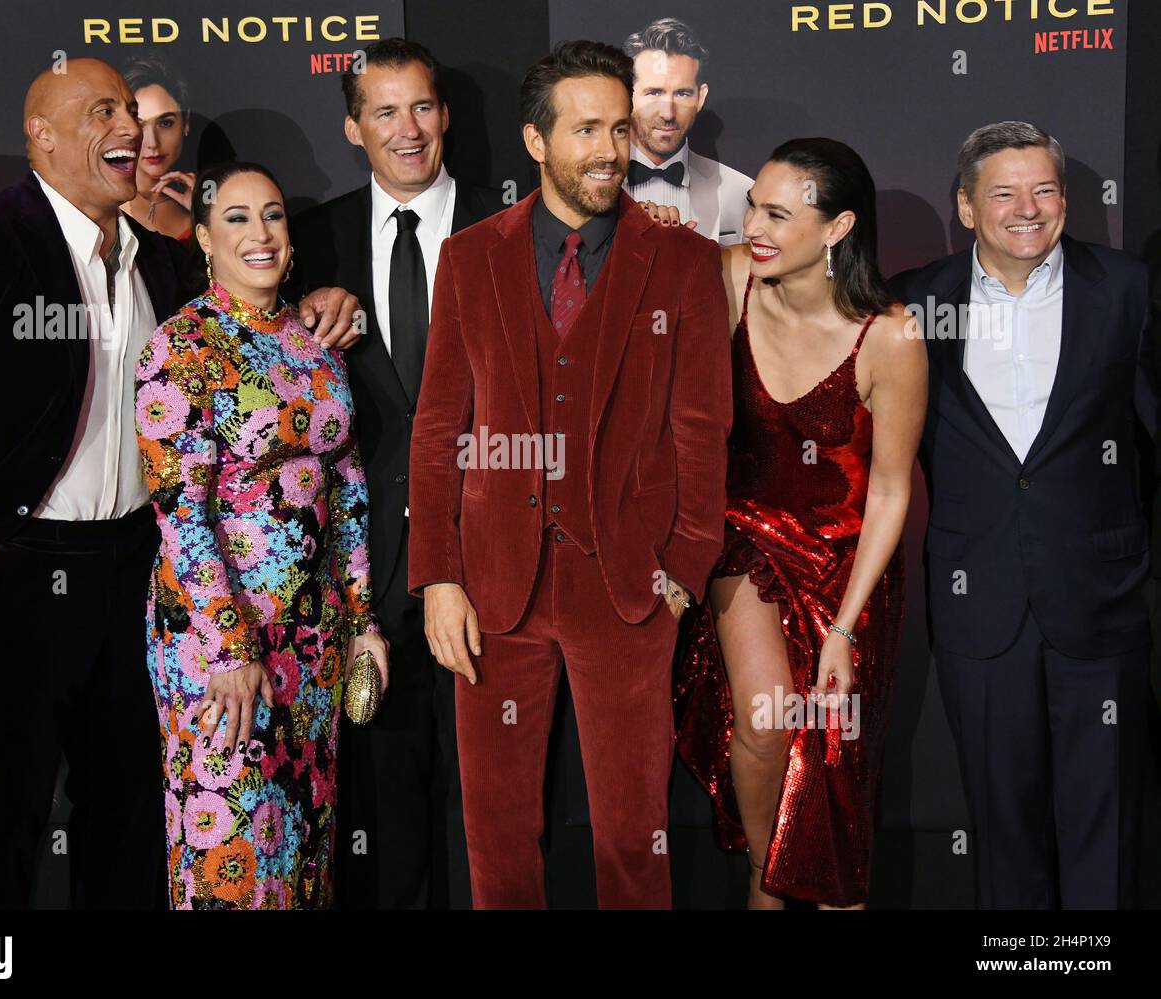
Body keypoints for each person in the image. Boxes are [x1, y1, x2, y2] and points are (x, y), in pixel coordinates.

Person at [0, 58, 362, 909]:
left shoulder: (164, 264)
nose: (130, 129)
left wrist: (319, 299)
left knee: (130, 827)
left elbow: (243, 312)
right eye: (102, 113)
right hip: (15, 567)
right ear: (41, 136)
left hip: (138, 570)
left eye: (131, 110)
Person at [408, 40, 731, 909]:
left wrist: (686, 570)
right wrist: (437, 574)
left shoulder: (688, 262)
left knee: (634, 836)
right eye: (585, 128)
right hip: (491, 589)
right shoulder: (471, 258)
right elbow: (441, 427)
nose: (608, 150)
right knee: (498, 834)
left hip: (629, 586)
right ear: (535, 142)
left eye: (619, 128)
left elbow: (702, 428)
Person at [891, 122, 1157, 909]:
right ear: (967, 207)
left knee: (1104, 827)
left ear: (1066, 201)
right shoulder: (916, 300)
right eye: (1004, 192)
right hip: (979, 602)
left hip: (1101, 598)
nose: (1027, 209)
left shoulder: (1127, 288)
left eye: (1044, 190)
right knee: (1002, 830)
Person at [676, 137, 925, 910]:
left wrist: (847, 628)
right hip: (746, 533)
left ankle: (836, 894)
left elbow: (889, 491)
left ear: (839, 226)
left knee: (834, 754)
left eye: (779, 214)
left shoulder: (891, 335)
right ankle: (765, 877)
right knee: (762, 716)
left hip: (849, 561)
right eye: (753, 206)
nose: (755, 225)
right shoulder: (728, 278)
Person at [135, 161, 389, 910]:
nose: (260, 233)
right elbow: (182, 513)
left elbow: (348, 491)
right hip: (218, 644)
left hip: (313, 638)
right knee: (232, 848)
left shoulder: (315, 346)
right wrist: (230, 646)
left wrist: (362, 616)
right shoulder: (181, 349)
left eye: (273, 214)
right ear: (205, 239)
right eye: (237, 217)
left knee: (302, 840)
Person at [292, 37, 504, 910]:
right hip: (359, 569)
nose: (407, 129)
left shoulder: (510, 226)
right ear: (353, 126)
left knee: (491, 805)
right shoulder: (306, 240)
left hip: (493, 555)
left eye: (421, 106)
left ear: (445, 114)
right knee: (381, 810)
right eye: (384, 111)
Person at [621, 17, 752, 245]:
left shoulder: (741, 191)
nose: (668, 113)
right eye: (654, 93)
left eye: (682, 94)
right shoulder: (592, 185)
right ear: (627, 94)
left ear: (700, 97)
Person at [120, 55, 195, 242]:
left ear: (185, 124)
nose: (153, 142)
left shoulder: (201, 209)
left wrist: (207, 215)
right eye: (139, 123)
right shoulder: (99, 206)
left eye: (165, 123)